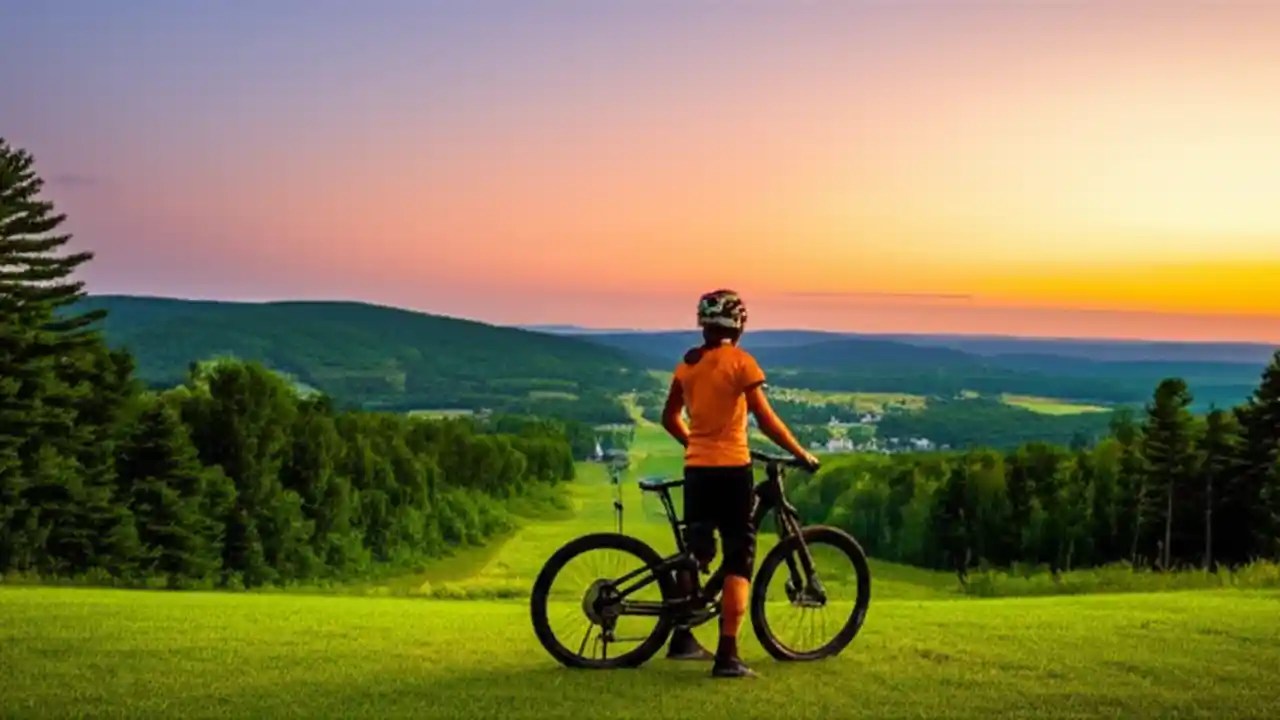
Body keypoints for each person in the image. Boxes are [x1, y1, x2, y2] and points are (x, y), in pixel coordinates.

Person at [659, 289, 819, 678]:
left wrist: (695, 443)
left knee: (696, 550)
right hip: (731, 471)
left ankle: (681, 638)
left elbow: (669, 418)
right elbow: (765, 419)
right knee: (738, 558)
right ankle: (727, 656)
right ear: (739, 324)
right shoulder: (741, 363)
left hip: (697, 470)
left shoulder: (688, 364)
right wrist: (801, 454)